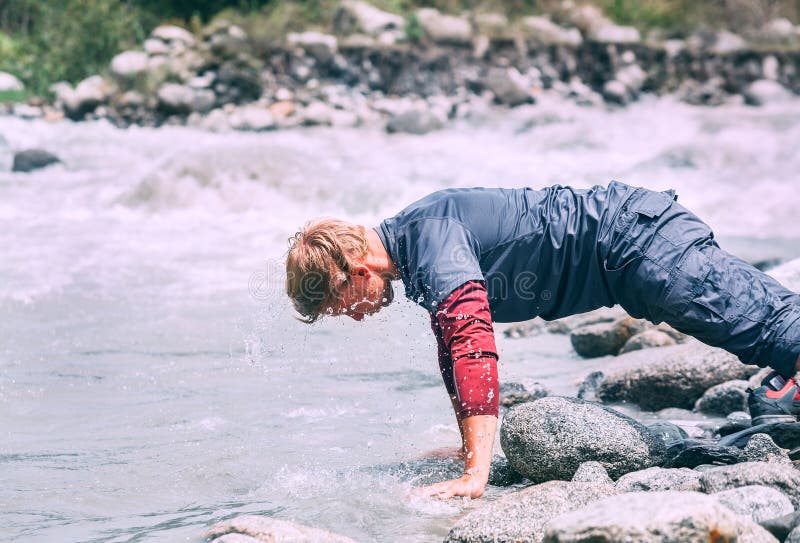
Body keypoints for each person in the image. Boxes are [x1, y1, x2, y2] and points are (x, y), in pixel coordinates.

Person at [284, 180, 800, 500]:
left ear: (355, 271)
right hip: (629, 256)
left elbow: (472, 342)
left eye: (339, 305)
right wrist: (468, 450)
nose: (351, 318)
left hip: (638, 239)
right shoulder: (414, 253)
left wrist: (476, 476)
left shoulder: (429, 239)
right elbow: (452, 353)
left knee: (772, 329)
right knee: (770, 338)